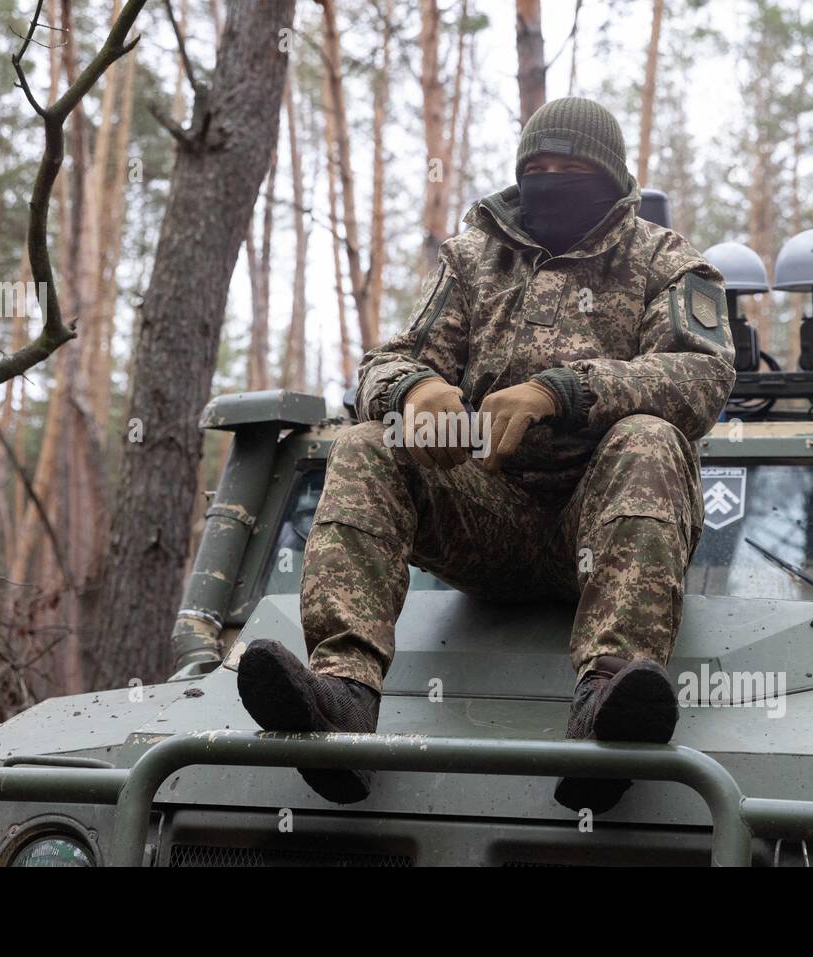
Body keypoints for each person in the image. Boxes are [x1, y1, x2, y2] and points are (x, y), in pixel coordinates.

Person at [237, 96, 736, 813]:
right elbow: (386, 362)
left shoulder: (665, 261)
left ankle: (609, 705)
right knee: (367, 443)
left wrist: (562, 390)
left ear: (610, 178)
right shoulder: (474, 259)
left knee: (650, 437)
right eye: (538, 166)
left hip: (605, 527)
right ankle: (341, 696)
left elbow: (701, 376)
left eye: (570, 168)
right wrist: (414, 389)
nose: (550, 179)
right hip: (487, 519)